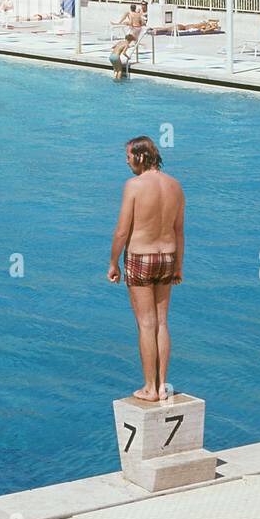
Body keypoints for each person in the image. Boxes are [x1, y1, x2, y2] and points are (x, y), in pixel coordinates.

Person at [108, 136, 185, 402]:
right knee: (163, 322)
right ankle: (163, 385)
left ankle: (150, 388)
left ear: (140, 157)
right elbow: (179, 231)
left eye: (128, 158)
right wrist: (178, 267)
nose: (127, 163)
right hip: (168, 257)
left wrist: (113, 263)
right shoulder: (175, 185)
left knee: (146, 323)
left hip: (141, 257)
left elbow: (121, 231)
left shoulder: (134, 186)